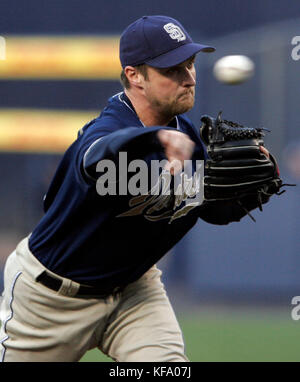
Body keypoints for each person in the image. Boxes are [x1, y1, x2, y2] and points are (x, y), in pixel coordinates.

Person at [0, 15, 270, 362]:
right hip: (51, 299)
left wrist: (254, 188)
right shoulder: (108, 128)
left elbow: (212, 209)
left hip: (134, 292)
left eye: (190, 64)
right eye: (173, 69)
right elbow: (95, 157)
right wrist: (152, 138)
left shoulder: (187, 138)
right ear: (134, 76)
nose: (189, 78)